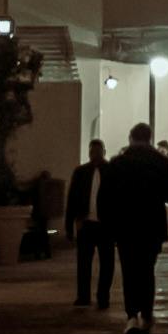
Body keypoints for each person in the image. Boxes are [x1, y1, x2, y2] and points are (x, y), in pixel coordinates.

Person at [110, 116, 168, 334]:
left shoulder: (118, 162)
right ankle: (147, 313)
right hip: (151, 225)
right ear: (149, 138)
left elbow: (107, 196)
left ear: (131, 138)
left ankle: (131, 315)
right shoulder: (160, 161)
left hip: (125, 225)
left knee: (129, 270)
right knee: (147, 269)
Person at [64, 133, 112, 317]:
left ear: (104, 152)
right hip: (86, 224)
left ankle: (103, 296)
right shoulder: (81, 172)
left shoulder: (110, 171)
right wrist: (70, 225)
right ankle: (83, 295)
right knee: (84, 262)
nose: (95, 154)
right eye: (92, 151)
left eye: (98, 151)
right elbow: (72, 199)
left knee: (107, 263)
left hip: (105, 225)